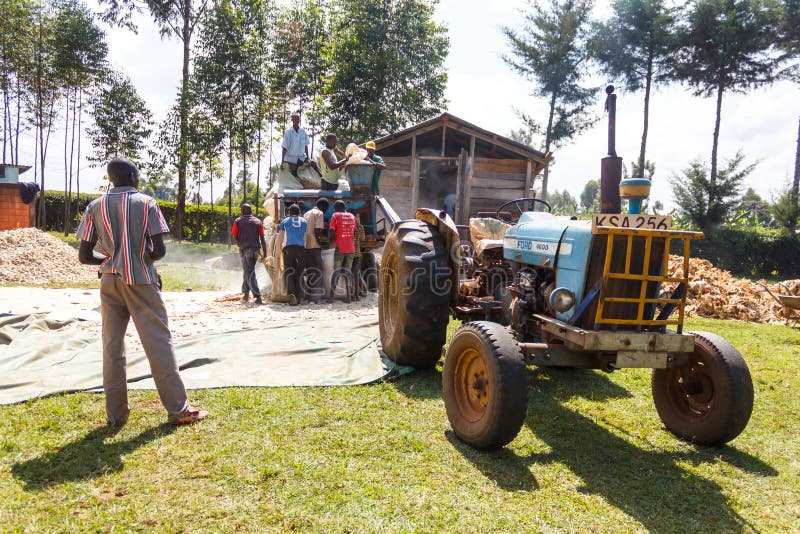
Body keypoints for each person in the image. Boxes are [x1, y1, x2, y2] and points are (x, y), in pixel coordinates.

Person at [77, 158, 208, 427]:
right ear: (133, 175)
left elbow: (84, 255)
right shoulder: (146, 203)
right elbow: (159, 250)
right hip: (140, 281)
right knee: (158, 342)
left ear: (110, 178)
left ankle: (116, 416)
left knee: (112, 347)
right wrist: (140, 258)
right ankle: (178, 409)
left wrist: (108, 260)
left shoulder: (94, 206)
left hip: (109, 282)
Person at [232, 203, 268, 305]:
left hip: (245, 249)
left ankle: (258, 297)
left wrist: (239, 243)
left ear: (241, 211)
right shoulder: (258, 221)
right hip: (256, 250)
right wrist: (264, 253)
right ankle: (246, 295)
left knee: (250, 273)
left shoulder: (238, 221)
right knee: (247, 271)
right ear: (251, 211)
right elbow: (262, 238)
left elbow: (234, 235)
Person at [279, 204, 308, 306]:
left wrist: (279, 250)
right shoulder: (304, 221)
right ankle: (300, 297)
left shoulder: (285, 221)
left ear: (289, 212)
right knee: (299, 272)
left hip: (289, 249)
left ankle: (292, 297)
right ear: (299, 212)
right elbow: (305, 237)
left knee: (289, 272)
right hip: (301, 249)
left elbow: (281, 238)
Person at [329, 200, 357, 302]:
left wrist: (331, 240)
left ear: (336, 208)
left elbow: (332, 232)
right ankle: (349, 297)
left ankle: (331, 297)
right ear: (344, 207)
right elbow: (353, 231)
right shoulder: (352, 216)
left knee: (336, 271)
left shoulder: (335, 215)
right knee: (348, 272)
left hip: (340, 247)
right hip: (351, 248)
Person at [303, 197, 329, 304]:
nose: (325, 211)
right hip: (314, 247)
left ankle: (308, 297)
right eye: (326, 209)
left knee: (310, 272)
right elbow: (318, 230)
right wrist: (320, 242)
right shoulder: (319, 213)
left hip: (305, 246)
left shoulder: (306, 214)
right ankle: (316, 298)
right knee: (318, 271)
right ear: (323, 206)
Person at [281, 112, 310, 177]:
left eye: (298, 119)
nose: (296, 120)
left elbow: (306, 146)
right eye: (294, 119)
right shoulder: (288, 132)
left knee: (313, 164)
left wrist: (308, 158)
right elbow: (284, 147)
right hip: (290, 159)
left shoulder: (303, 132)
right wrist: (282, 161)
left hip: (301, 158)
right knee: (294, 174)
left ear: (299, 120)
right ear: (292, 120)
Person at [350, 219, 366, 301]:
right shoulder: (360, 226)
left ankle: (351, 294)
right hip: (357, 251)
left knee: (348, 272)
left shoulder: (347, 223)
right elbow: (363, 239)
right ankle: (356, 295)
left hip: (348, 250)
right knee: (355, 273)